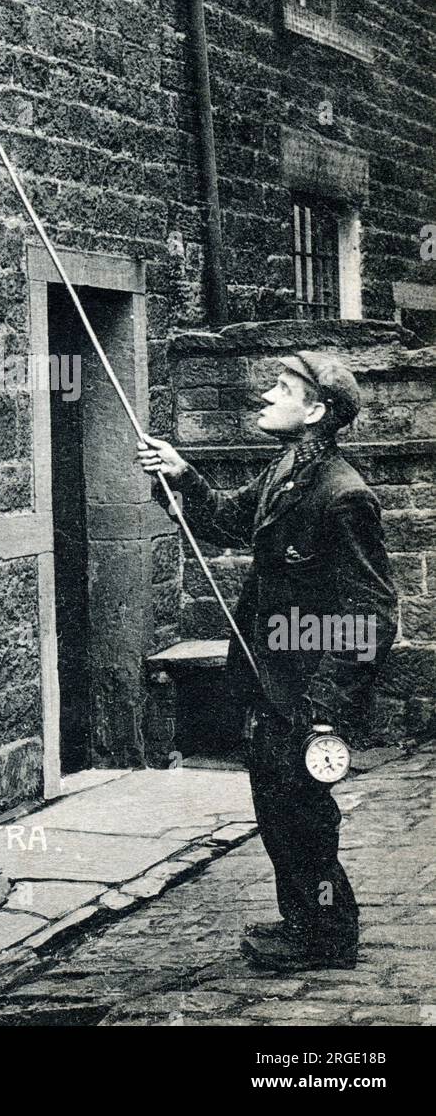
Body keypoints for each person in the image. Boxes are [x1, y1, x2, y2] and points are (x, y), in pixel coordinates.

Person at [137, 351, 398, 971]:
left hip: (304, 694)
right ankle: (304, 922)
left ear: (315, 411)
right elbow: (228, 522)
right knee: (279, 811)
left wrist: (322, 710)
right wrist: (183, 475)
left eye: (282, 389)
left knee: (304, 815)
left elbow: (374, 613)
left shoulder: (343, 496)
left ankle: (327, 936)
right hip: (269, 682)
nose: (265, 397)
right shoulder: (285, 471)